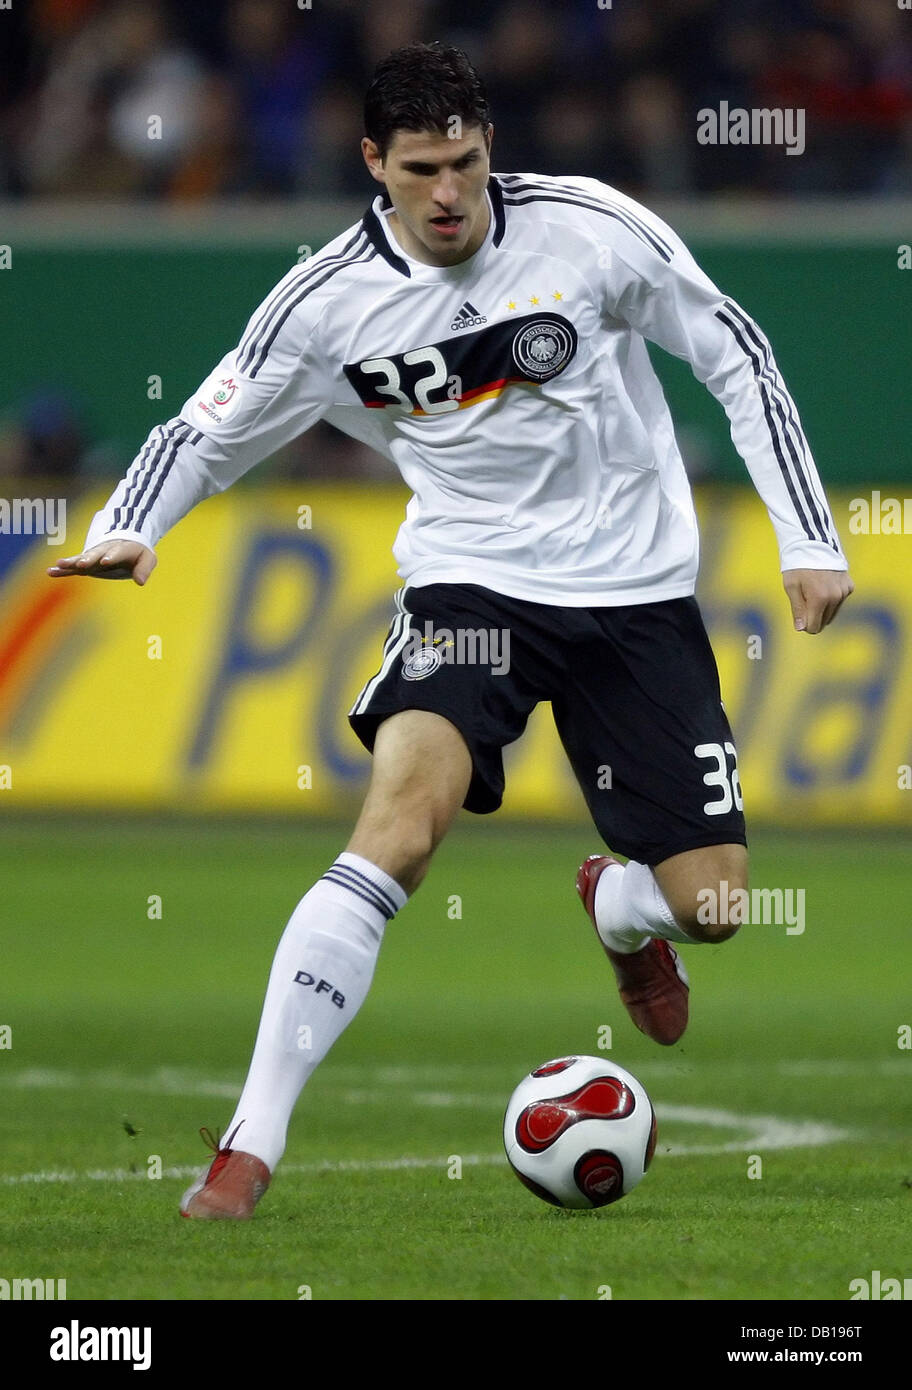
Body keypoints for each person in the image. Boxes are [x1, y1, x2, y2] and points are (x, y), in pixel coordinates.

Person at [48, 42, 853, 1220]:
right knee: (401, 821)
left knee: (714, 907)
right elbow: (210, 423)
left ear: (491, 152)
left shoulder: (591, 232)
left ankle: (619, 905)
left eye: (466, 164)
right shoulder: (327, 301)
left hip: (634, 593)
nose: (447, 194)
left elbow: (735, 350)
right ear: (373, 162)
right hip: (470, 590)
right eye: (419, 168)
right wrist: (132, 522)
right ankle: (248, 1145)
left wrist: (808, 533)